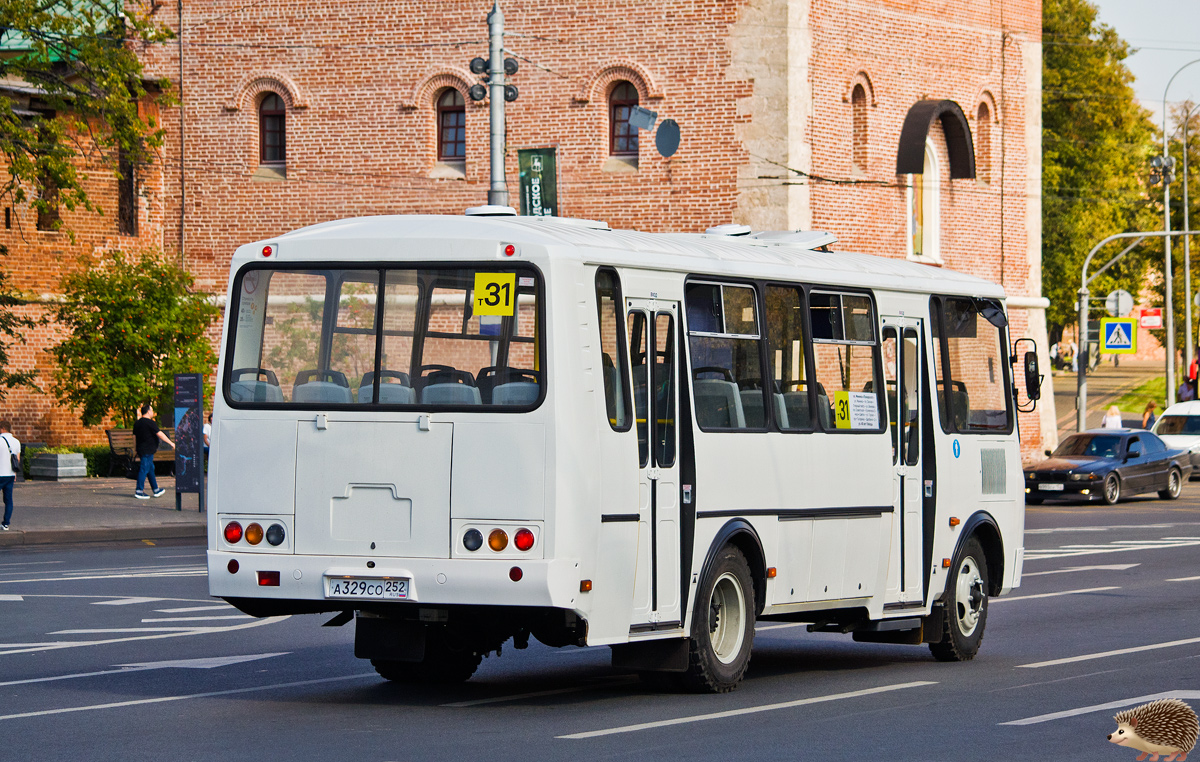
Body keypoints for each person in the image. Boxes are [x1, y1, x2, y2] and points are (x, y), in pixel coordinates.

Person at [132, 403, 175, 499]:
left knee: (150, 469)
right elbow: (160, 434)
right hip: (148, 450)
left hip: (142, 449)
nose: (153, 412)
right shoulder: (150, 423)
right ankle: (139, 491)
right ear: (148, 411)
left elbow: (134, 438)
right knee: (144, 469)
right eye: (152, 410)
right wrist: (171, 443)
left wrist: (135, 449)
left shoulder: (137, 423)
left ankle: (156, 489)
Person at [0, 420, 19, 530]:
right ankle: (6, 523)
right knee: (8, 500)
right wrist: (14, 473)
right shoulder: (16, 442)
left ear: (2, 428)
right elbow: (17, 459)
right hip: (10, 474)